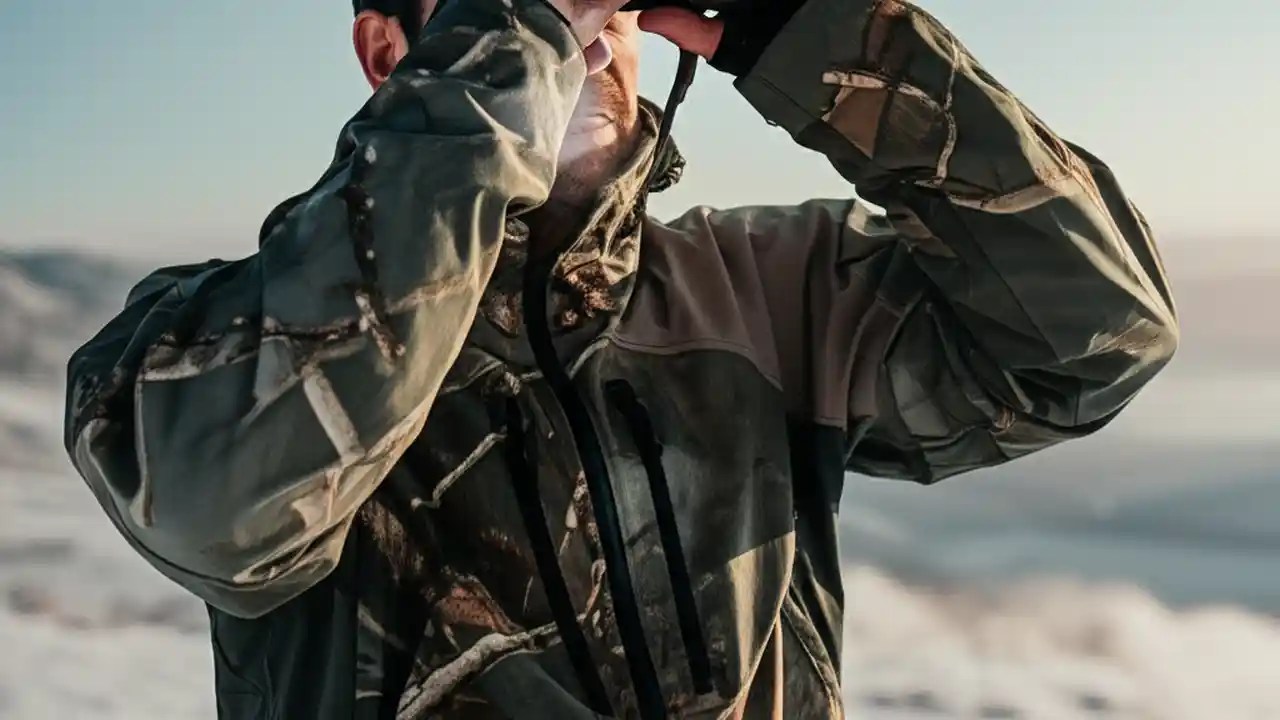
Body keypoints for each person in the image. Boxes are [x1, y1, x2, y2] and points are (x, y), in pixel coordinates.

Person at [63, 0, 1179, 715]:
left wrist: (817, 34)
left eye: (604, 4)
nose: (587, 31)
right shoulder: (201, 343)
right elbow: (221, 513)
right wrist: (508, 62)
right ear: (386, 49)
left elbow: (1091, 338)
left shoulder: (765, 285)